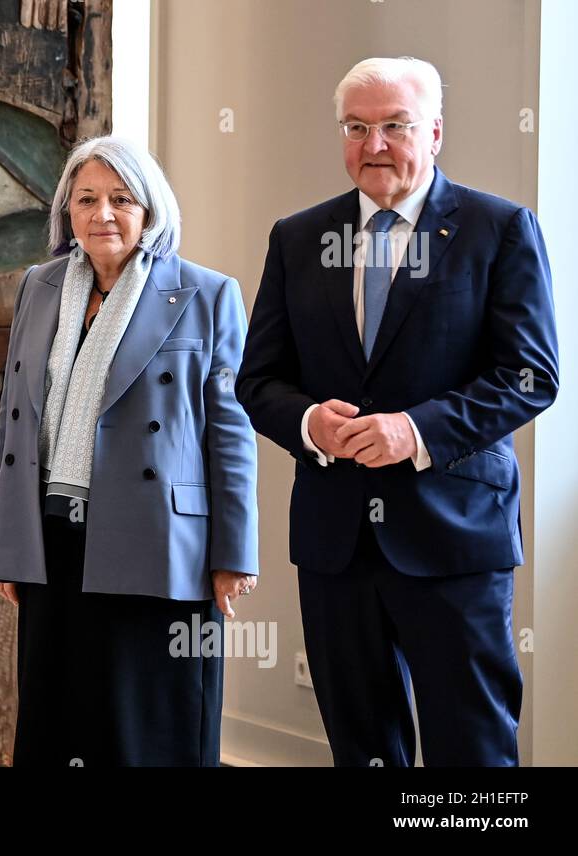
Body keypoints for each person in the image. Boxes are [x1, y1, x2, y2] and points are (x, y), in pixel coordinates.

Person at [236, 56, 558, 766]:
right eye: (356, 127)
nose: (373, 145)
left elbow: (531, 376)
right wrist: (309, 425)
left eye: (395, 126)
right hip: (334, 540)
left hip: (454, 539)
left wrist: (415, 431)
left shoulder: (497, 229)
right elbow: (258, 380)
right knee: (361, 746)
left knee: (470, 750)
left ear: (435, 132)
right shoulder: (297, 237)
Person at [0, 136, 259, 766]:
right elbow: (16, 419)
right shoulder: (41, 286)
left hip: (161, 541)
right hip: (53, 534)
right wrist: (9, 543)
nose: (101, 214)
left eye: (120, 198)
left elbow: (231, 432)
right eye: (86, 199)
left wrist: (234, 551)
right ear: (66, 211)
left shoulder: (206, 293)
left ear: (151, 210)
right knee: (58, 715)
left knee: (147, 723)